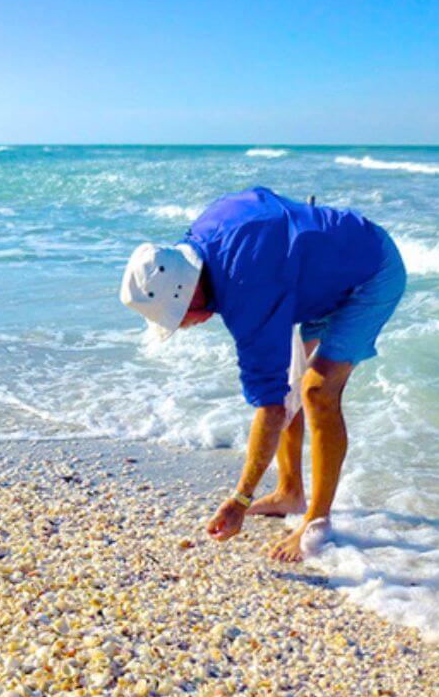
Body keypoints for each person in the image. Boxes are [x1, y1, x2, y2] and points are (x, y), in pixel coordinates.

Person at [119, 186, 406, 562]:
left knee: (318, 390)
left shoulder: (247, 294)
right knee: (290, 380)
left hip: (369, 271)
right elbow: (259, 199)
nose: (185, 326)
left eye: (180, 317)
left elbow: (270, 408)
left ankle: (317, 523)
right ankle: (290, 493)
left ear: (188, 292)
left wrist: (239, 499)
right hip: (308, 280)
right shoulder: (196, 246)